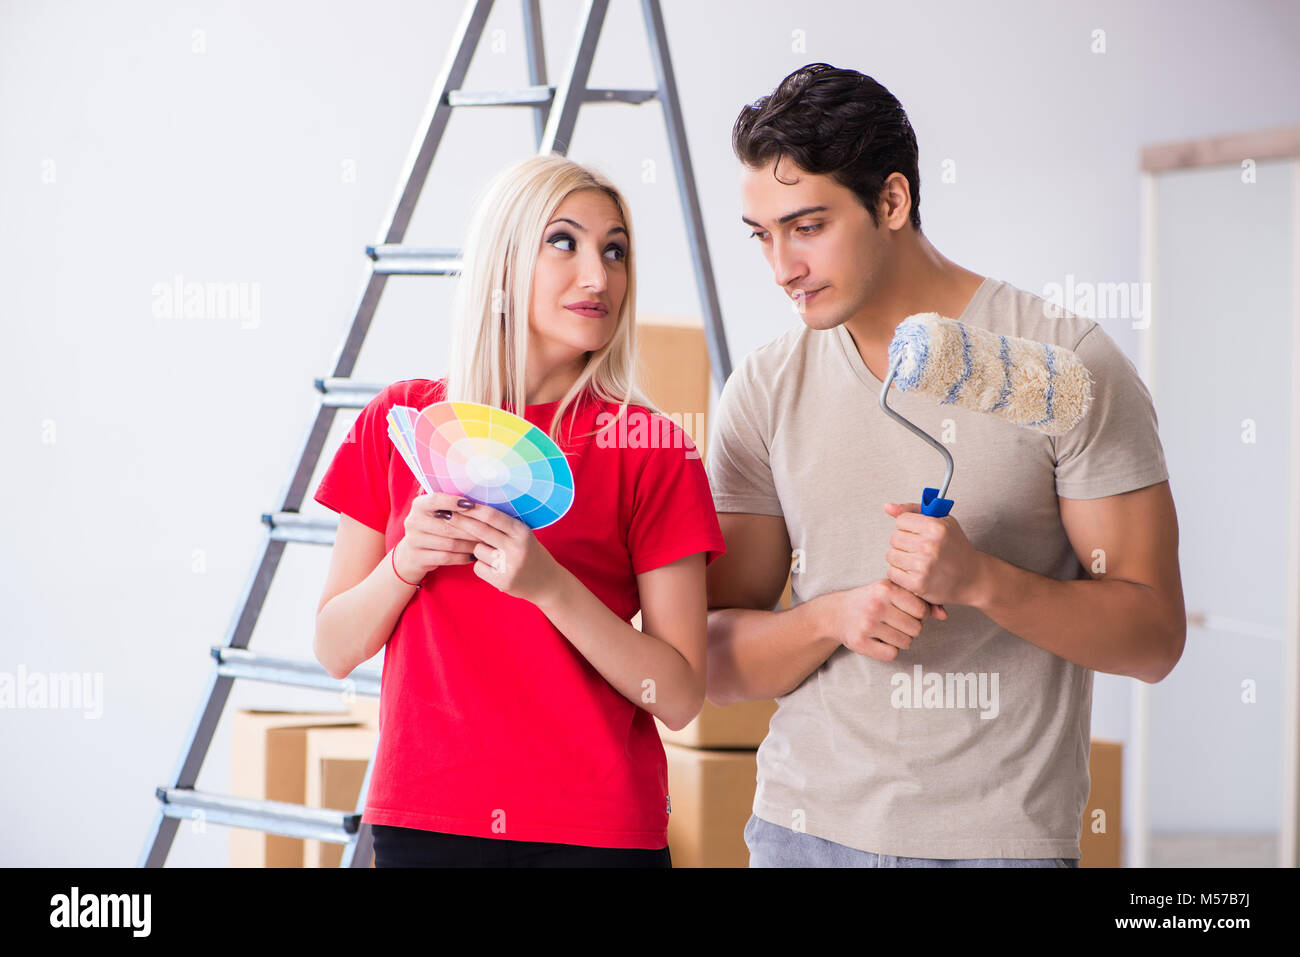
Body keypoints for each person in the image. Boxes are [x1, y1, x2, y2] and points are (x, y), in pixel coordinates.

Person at [704, 64, 1186, 868]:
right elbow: (715, 660)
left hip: (999, 847)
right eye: (763, 234)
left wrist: (981, 579)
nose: (781, 266)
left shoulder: (1065, 363)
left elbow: (1155, 636)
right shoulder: (765, 386)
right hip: (803, 834)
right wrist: (831, 616)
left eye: (808, 226)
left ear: (891, 202)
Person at [312, 154, 724, 867]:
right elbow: (334, 647)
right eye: (564, 241)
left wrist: (552, 587)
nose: (599, 276)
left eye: (615, 250)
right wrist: (404, 564)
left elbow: (681, 692)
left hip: (594, 837)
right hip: (425, 819)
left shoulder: (652, 447)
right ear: (503, 263)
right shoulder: (399, 420)